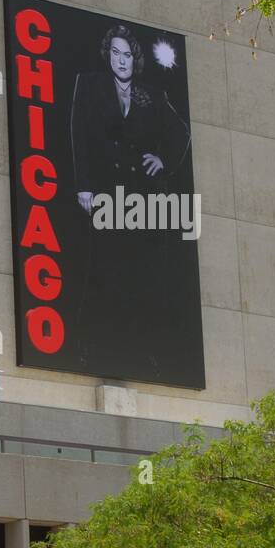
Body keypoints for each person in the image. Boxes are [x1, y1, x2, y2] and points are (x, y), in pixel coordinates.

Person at [68, 25, 191, 379]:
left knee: (143, 276)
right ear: (108, 55)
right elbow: (78, 132)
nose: (120, 60)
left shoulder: (151, 94)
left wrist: (164, 159)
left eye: (127, 54)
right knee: (101, 270)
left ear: (134, 59)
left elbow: (181, 131)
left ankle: (144, 352)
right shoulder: (89, 85)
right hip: (105, 194)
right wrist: (83, 186)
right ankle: (89, 345)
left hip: (143, 200)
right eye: (115, 53)